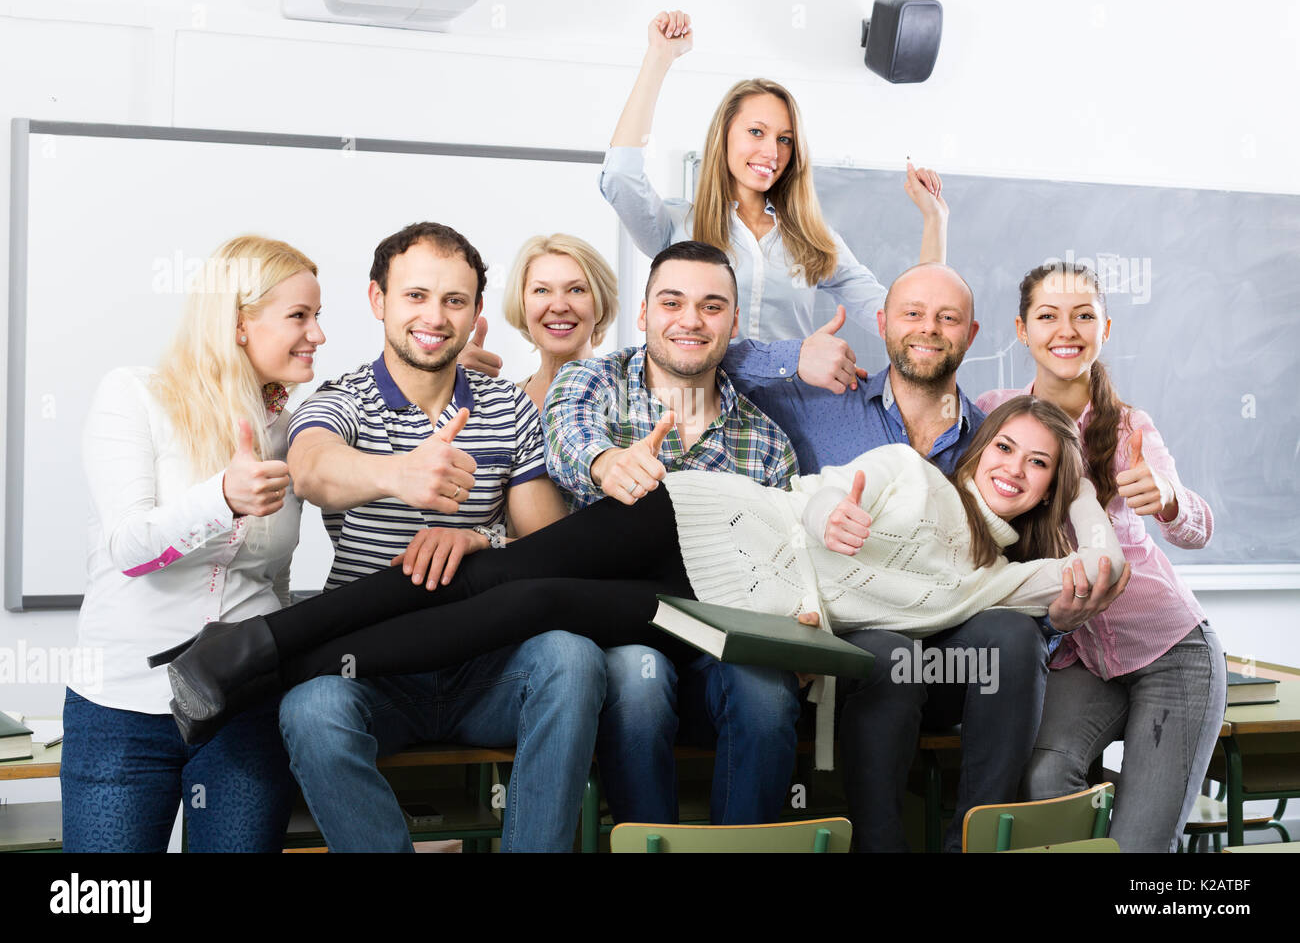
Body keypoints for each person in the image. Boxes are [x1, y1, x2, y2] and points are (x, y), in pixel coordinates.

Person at [156, 397, 1127, 815]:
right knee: (508, 579)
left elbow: (1101, 567)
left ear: (1046, 491)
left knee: (533, 601)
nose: (1013, 469)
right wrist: (838, 519)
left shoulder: (991, 579)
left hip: (724, 606)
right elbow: (845, 488)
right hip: (702, 516)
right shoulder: (912, 470)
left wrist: (1081, 484)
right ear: (975, 451)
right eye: (1004, 449)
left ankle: (251, 661)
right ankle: (259, 649)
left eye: (1036, 466)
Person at [722, 261, 1132, 851]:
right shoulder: (821, 404)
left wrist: (1081, 502)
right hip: (851, 650)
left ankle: (974, 842)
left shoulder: (990, 442)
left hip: (950, 666)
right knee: (892, 654)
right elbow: (700, 357)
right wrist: (790, 358)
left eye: (948, 318)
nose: (929, 328)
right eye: (913, 313)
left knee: (1010, 636)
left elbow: (1038, 584)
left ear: (972, 333)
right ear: (883, 321)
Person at [260, 221, 605, 853]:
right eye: (415, 296)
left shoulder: (509, 409)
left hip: (484, 667)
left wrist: (484, 544)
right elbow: (311, 469)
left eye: (454, 300)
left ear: (476, 311)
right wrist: (400, 474)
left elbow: (548, 551)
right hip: (369, 670)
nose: (435, 316)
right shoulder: (343, 400)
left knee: (573, 658)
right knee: (310, 711)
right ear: (378, 302)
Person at [62, 235, 324, 851]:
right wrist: (220, 497)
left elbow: (273, 579)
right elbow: (130, 549)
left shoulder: (293, 432)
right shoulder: (134, 396)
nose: (317, 334)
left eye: (318, 316)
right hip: (122, 705)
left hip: (243, 705)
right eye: (300, 316)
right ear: (239, 323)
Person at [544, 240, 800, 826]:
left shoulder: (767, 442)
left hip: (722, 645)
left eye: (712, 306)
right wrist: (609, 463)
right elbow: (568, 441)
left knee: (767, 691)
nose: (690, 320)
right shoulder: (593, 381)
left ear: (734, 322)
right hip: (622, 634)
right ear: (643, 313)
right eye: (672, 302)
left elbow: (781, 563)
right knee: (639, 680)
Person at [977, 260, 1227, 852]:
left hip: (1173, 652)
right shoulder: (997, 411)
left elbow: (1197, 530)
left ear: (1105, 328)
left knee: (1141, 847)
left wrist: (1168, 501)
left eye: (1083, 316)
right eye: (1048, 316)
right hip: (1079, 655)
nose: (1066, 330)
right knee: (1043, 778)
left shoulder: (1128, 428)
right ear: (1021, 329)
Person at [602, 9, 949, 352]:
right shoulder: (677, 228)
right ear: (723, 136)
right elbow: (621, 176)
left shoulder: (813, 240)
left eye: (784, 139)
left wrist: (935, 220)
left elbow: (904, 321)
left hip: (788, 406)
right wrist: (659, 58)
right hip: (702, 403)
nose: (772, 152)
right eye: (756, 132)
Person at [500, 233, 620, 411]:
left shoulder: (628, 400)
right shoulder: (504, 403)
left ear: (599, 300)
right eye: (541, 290)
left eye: (576, 290)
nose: (558, 306)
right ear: (521, 301)